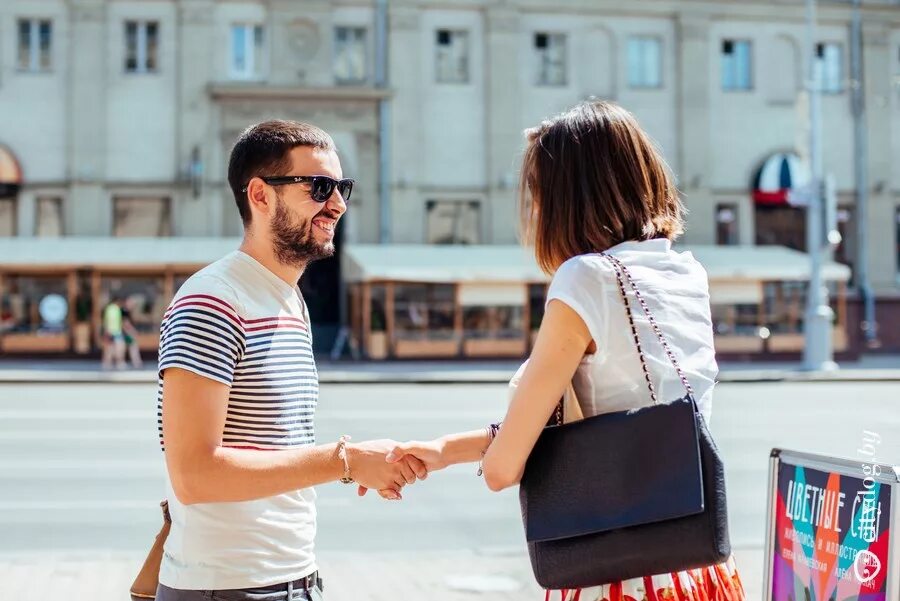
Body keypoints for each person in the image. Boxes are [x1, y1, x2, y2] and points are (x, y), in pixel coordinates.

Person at [383, 101, 746, 601]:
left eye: (539, 194)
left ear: (568, 199)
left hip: (620, 573)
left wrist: (482, 460)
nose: (534, 210)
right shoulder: (685, 272)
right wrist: (447, 451)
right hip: (695, 565)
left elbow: (506, 467)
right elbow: (613, 419)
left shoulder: (586, 278)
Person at [156, 120, 427, 601]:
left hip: (292, 580)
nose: (339, 204)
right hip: (227, 588)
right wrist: (343, 461)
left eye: (342, 187)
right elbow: (193, 474)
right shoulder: (212, 300)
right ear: (260, 195)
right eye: (319, 187)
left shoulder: (287, 301)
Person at [101, 296, 126, 370]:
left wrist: (106, 330)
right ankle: (119, 362)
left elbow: (106, 320)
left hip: (110, 330)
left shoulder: (108, 308)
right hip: (116, 331)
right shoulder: (117, 309)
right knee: (120, 346)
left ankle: (107, 363)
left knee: (110, 348)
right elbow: (119, 321)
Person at [121, 297, 144, 369]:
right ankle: (136, 362)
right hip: (127, 333)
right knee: (132, 347)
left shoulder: (127, 311)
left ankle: (136, 362)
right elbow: (126, 324)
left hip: (126, 332)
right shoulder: (125, 312)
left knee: (131, 348)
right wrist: (133, 331)